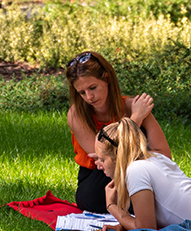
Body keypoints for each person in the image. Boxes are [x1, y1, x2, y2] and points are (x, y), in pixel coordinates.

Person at [65, 51, 170, 213]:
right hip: (101, 176)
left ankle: (142, 202)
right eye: (82, 92)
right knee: (89, 196)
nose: (89, 97)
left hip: (138, 168)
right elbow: (106, 159)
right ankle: (142, 203)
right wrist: (134, 120)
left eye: (93, 88)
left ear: (106, 78)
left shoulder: (131, 106)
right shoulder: (76, 114)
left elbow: (164, 155)